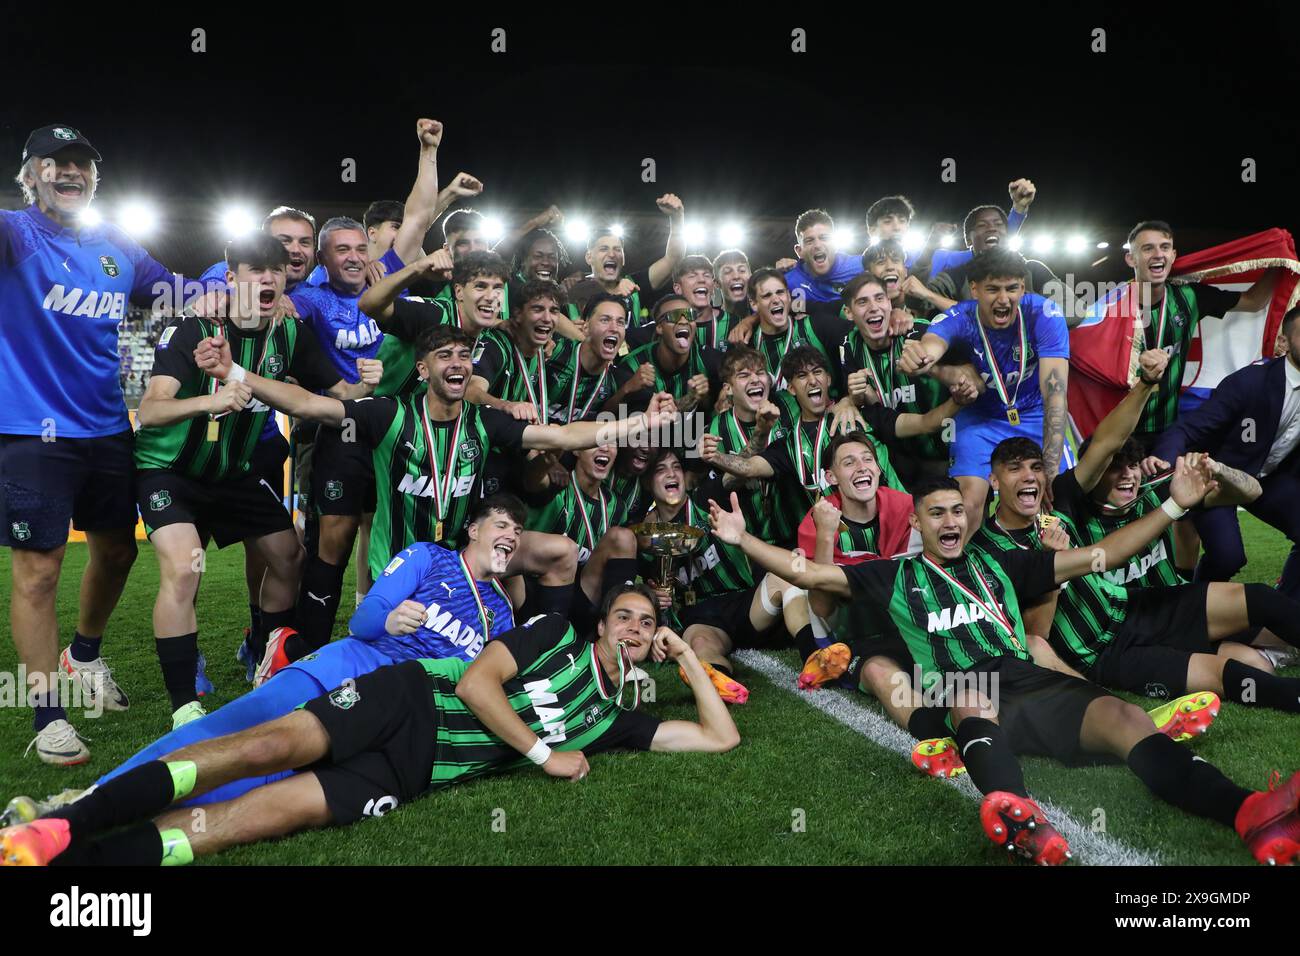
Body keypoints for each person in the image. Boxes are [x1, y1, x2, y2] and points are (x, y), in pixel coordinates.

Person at [708, 470, 1300, 866]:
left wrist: (1175, 503)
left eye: (955, 512)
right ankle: (1021, 817)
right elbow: (808, 574)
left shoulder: (1004, 566)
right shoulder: (893, 575)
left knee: (1122, 717)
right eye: (934, 513)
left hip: (1029, 682)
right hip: (957, 690)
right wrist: (741, 539)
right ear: (915, 525)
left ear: (966, 520)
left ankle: (1246, 811)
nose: (948, 521)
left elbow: (1107, 553)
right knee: (972, 695)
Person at [0, 586, 741, 867]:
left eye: (650, 625)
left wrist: (688, 662)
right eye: (627, 617)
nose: (638, 629)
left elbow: (720, 740)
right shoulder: (554, 633)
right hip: (405, 700)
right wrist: (544, 752)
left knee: (245, 824)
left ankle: (69, 870)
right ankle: (68, 823)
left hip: (408, 775)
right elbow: (482, 682)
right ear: (603, 622)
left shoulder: (612, 722)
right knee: (258, 748)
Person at [89, 494, 525, 799]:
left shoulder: (502, 614)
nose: (510, 535)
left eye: (518, 530)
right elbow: (363, 621)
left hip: (393, 705)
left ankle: (143, 802)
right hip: (354, 661)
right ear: (473, 529)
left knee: (274, 766)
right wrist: (390, 619)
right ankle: (103, 790)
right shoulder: (430, 557)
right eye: (501, 524)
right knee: (236, 723)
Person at [134, 234, 381, 728]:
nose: (268, 278)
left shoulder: (290, 333)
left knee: (290, 557)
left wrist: (364, 386)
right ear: (231, 279)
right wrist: (212, 399)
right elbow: (150, 410)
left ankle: (267, 661)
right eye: (254, 270)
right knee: (185, 570)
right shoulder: (195, 327)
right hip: (170, 472)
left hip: (235, 474)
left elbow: (336, 394)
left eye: (275, 271)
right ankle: (185, 702)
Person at [2, 125, 184, 763]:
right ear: (31, 175)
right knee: (39, 569)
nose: (70, 173)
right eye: (54, 164)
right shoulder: (17, 233)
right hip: (30, 430)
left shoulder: (117, 246)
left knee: (116, 553)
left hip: (108, 427)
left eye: (81, 164)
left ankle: (83, 656)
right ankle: (46, 716)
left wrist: (256, 288)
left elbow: (178, 292)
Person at [900, 248, 1073, 532]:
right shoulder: (959, 316)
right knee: (968, 503)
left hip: (1033, 414)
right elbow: (931, 345)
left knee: (1060, 497)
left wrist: (1050, 468)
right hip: (979, 419)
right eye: (993, 289)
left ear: (1023, 287)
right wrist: (920, 359)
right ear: (975, 289)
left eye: (1012, 288)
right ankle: (963, 572)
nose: (1004, 299)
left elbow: (1054, 395)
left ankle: (1054, 565)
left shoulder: (1043, 313)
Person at [1149, 304, 1300, 599]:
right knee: (1228, 557)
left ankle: (1288, 609)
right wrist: (1164, 464)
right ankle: (1194, 610)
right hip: (1220, 479)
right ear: (1284, 341)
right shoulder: (1249, 383)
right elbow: (1188, 430)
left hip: (1270, 478)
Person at [1120, 220, 1279, 443]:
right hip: (1117, 427)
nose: (1158, 254)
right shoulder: (1111, 305)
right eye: (1148, 248)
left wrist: (1277, 261)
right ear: (1131, 258)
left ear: (1173, 255)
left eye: (1164, 247)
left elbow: (1255, 302)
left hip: (1166, 429)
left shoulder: (1190, 297)